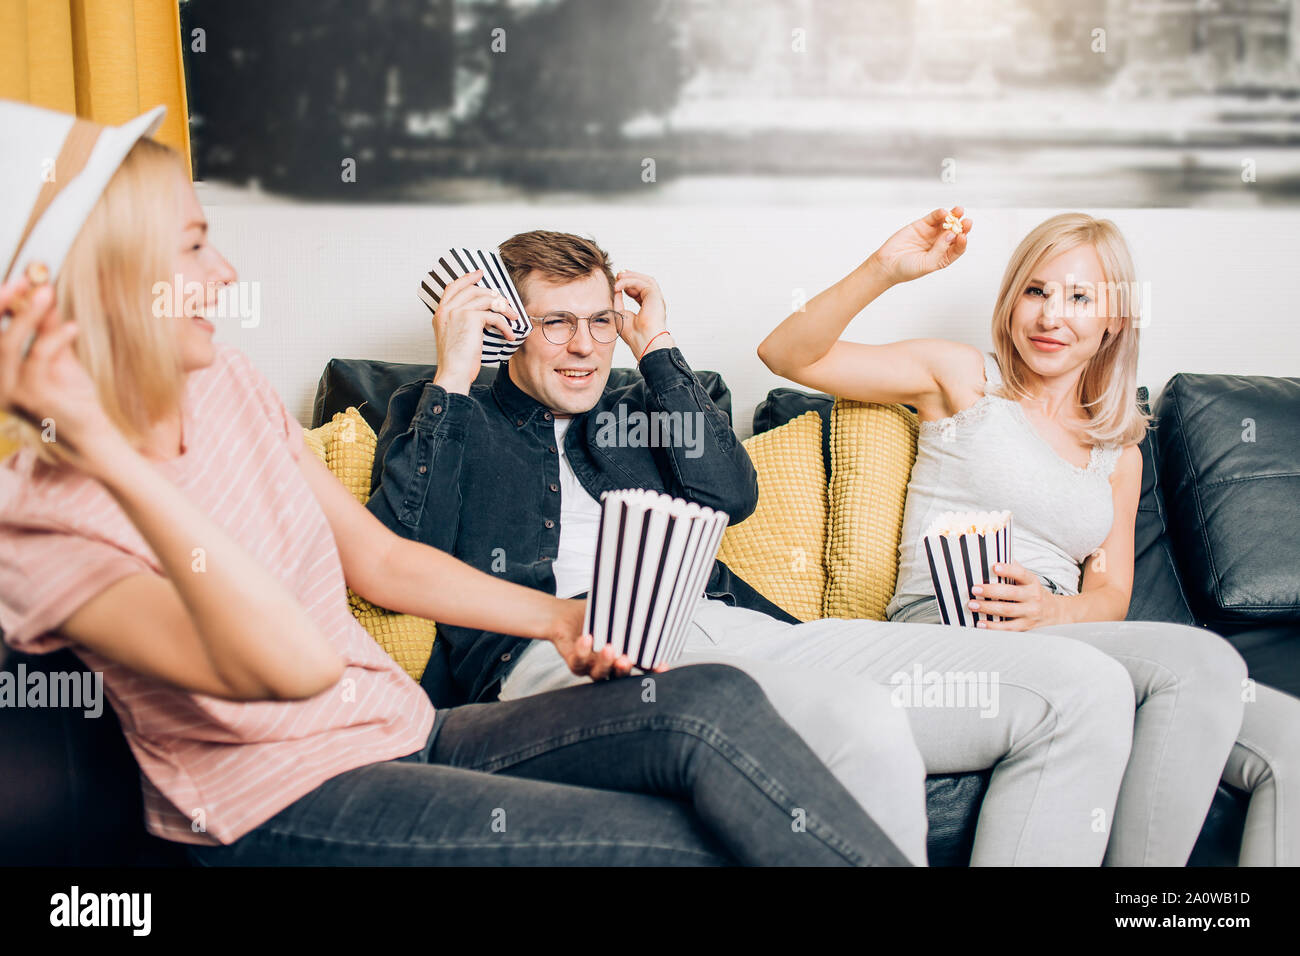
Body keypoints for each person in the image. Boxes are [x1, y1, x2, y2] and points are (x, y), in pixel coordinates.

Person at [0, 101, 913, 867]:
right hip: (276, 803)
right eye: (194, 245)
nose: (227, 274)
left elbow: (382, 562)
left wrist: (561, 618)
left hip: (404, 729)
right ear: (100, 277)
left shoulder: (225, 386)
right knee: (683, 846)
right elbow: (295, 665)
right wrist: (105, 448)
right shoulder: (39, 518)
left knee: (714, 701)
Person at [369, 228, 1143, 866]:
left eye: (600, 320)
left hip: (732, 624)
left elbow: (731, 495)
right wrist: (454, 377)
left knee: (1084, 687)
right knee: (862, 720)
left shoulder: (637, 410)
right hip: (567, 650)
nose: (584, 347)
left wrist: (659, 348)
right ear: (507, 324)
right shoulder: (446, 410)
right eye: (556, 322)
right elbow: (403, 549)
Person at [757, 205, 1300, 866]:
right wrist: (886, 269)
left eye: (1080, 297)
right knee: (1206, 663)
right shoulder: (963, 380)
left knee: (1290, 743)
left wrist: (1055, 609)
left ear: (1115, 319)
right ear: (1012, 303)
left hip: (1072, 639)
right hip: (956, 634)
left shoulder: (1118, 450)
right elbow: (785, 354)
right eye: (1036, 291)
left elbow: (1111, 591)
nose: (1051, 315)